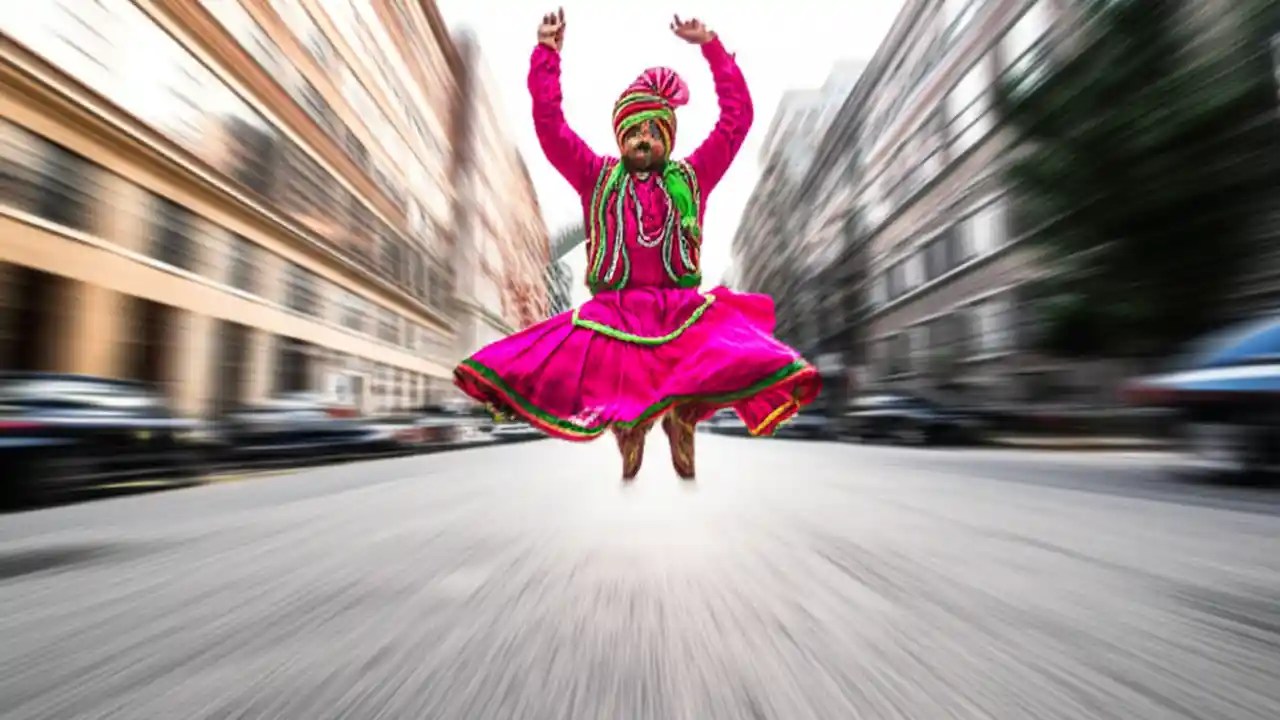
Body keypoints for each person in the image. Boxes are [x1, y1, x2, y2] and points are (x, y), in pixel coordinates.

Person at [453, 8, 821, 481]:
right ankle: (629, 427)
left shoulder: (692, 176)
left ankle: (681, 418)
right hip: (616, 311)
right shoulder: (596, 176)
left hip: (680, 309)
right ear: (620, 138)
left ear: (667, 136)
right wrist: (547, 55)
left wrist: (711, 46)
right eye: (632, 132)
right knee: (584, 365)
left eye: (652, 131)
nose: (642, 139)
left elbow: (737, 119)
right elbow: (551, 128)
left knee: (721, 355)